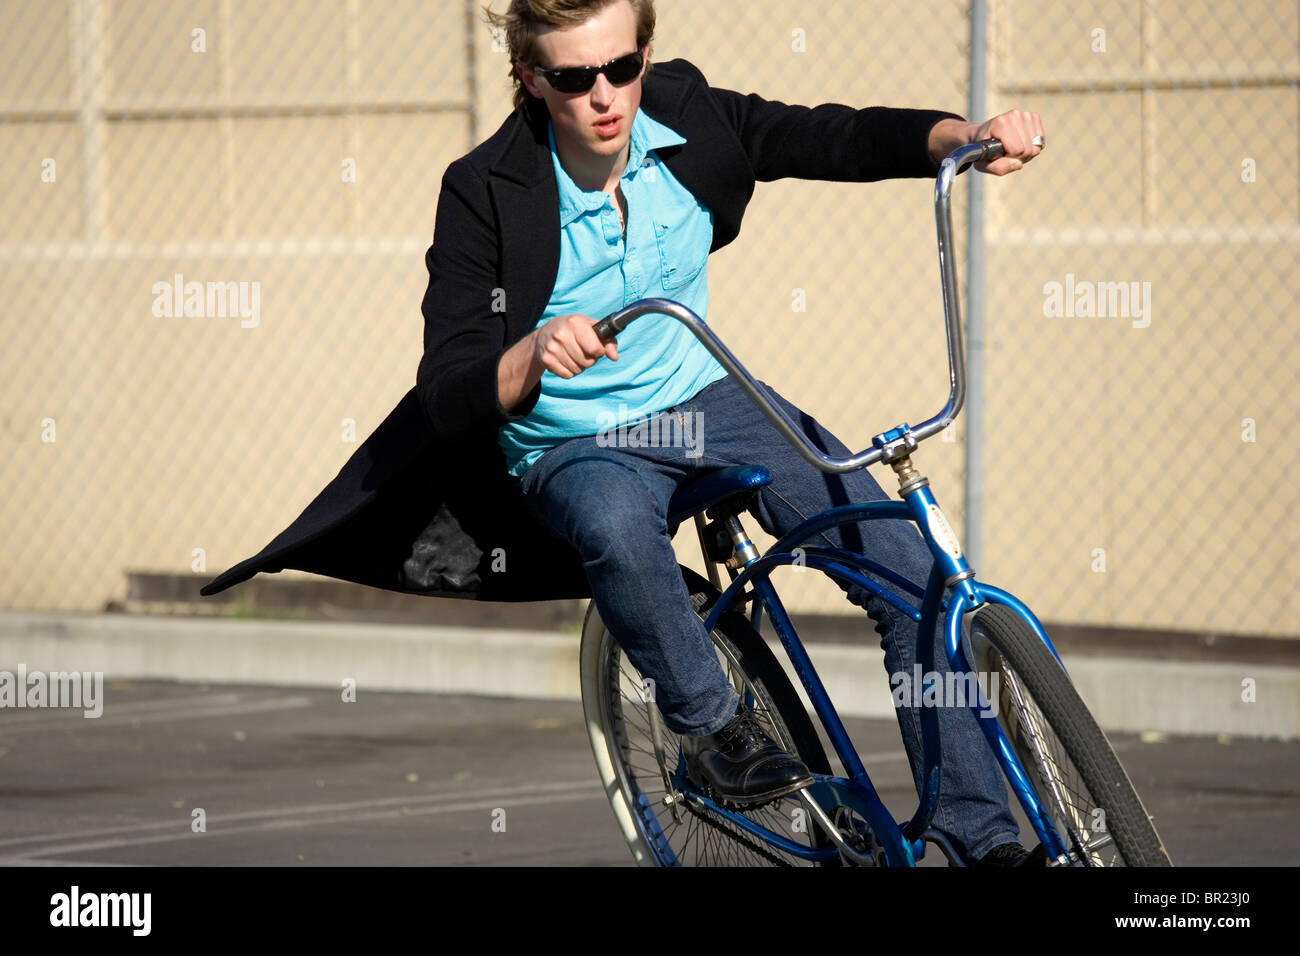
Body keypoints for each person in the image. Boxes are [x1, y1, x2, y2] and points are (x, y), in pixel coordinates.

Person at [474, 0, 1046, 866]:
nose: (604, 96)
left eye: (621, 68)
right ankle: (712, 730)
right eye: (572, 77)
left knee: (906, 570)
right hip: (575, 436)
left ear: (645, 54)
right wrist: (529, 354)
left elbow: (825, 136)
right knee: (616, 527)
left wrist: (961, 138)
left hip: (698, 396)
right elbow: (447, 376)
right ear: (528, 77)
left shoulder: (688, 112)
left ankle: (983, 833)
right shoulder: (488, 188)